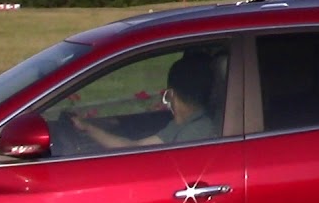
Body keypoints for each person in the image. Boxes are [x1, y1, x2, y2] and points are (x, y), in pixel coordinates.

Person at [72, 53, 216, 148]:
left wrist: (88, 128)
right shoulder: (184, 123)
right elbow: (135, 146)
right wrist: (89, 127)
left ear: (171, 94)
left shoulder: (197, 132)